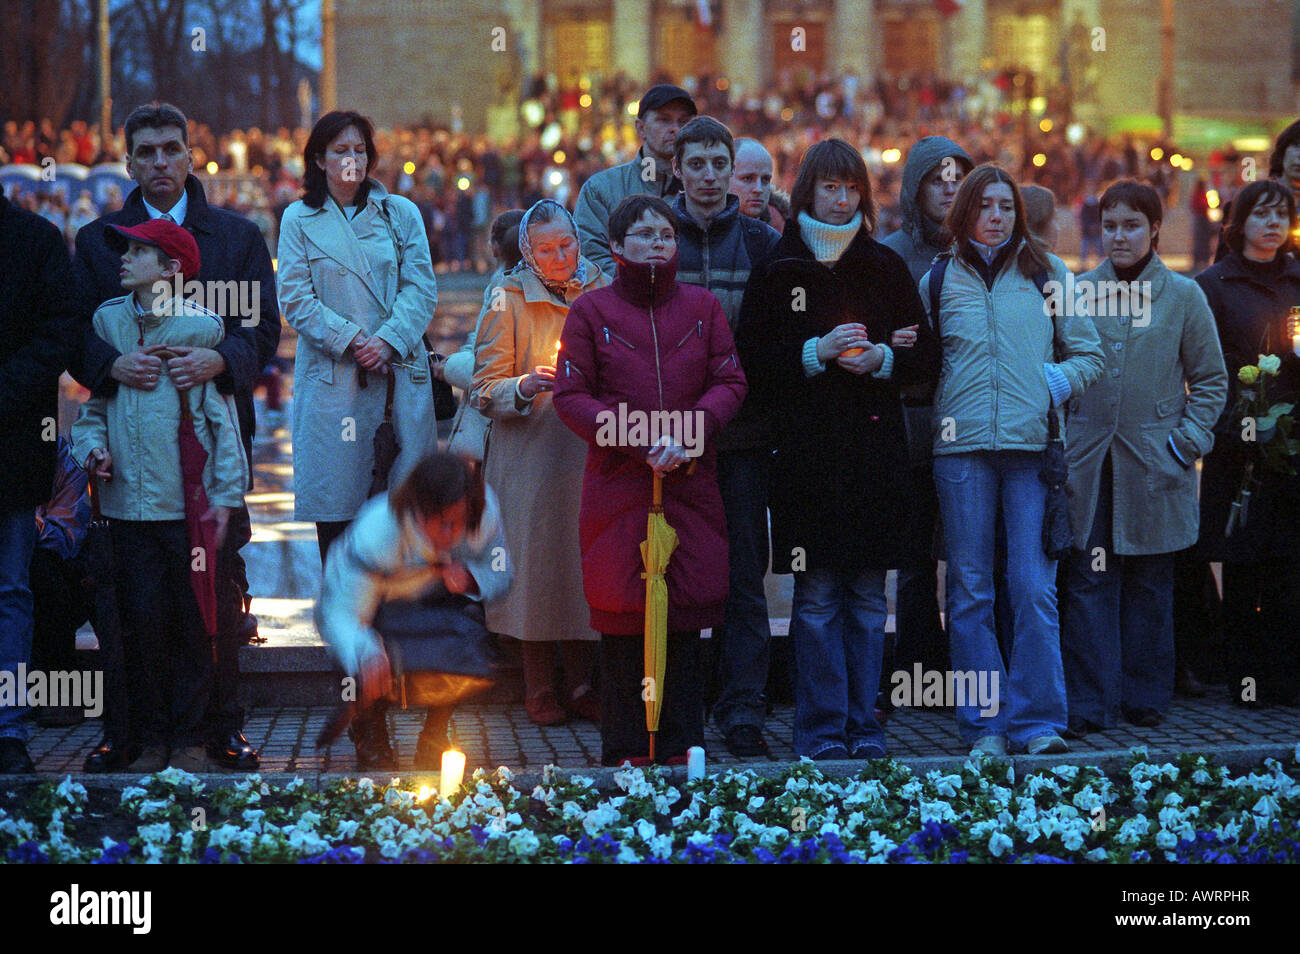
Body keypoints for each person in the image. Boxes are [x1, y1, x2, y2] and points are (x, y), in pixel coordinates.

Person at [70, 102, 280, 773]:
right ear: (129, 162)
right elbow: (74, 332)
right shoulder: (98, 243)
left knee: (216, 594)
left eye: (171, 149)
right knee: (130, 604)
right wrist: (111, 367)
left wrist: (220, 360)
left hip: (205, 458)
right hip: (128, 462)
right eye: (146, 152)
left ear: (191, 155)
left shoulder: (236, 237)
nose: (160, 162)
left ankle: (222, 726)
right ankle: (131, 732)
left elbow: (263, 330)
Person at [737, 139, 939, 760]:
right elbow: (752, 364)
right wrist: (814, 353)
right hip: (805, 460)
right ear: (808, 191)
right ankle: (822, 730)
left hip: (875, 457)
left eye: (851, 188)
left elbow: (926, 357)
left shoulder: (884, 266)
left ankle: (864, 726)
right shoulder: (780, 267)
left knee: (868, 600)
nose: (841, 199)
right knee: (818, 599)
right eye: (829, 187)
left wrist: (882, 359)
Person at [553, 194, 746, 765]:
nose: (658, 244)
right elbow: (571, 395)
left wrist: (689, 434)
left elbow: (729, 381)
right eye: (643, 235)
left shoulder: (703, 308)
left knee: (684, 615)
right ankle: (626, 756)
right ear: (616, 247)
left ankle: (686, 752)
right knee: (623, 617)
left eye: (665, 235)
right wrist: (639, 441)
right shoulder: (591, 312)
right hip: (620, 487)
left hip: (689, 483)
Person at [921, 164, 1104, 757]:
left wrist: (1056, 382)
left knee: (1032, 587)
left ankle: (1039, 723)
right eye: (984, 206)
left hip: (1033, 452)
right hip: (962, 451)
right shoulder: (938, 278)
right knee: (969, 591)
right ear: (964, 212)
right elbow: (925, 363)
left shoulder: (1049, 273)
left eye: (1005, 206)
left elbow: (1090, 355)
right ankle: (985, 728)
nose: (996, 216)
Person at [70, 219, 247, 773]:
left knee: (195, 624)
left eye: (138, 251)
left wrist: (224, 499)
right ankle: (142, 736)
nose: (124, 258)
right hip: (126, 509)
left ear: (171, 269)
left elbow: (222, 427)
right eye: (125, 248)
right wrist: (93, 450)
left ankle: (192, 736)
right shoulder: (108, 324)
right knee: (136, 626)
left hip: (186, 513)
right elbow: (92, 412)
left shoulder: (198, 332)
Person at [1060, 180, 1228, 734]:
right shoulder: (1080, 291)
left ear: (1155, 229)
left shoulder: (1183, 296)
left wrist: (1185, 443)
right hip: (1090, 465)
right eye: (1110, 225)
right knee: (1089, 581)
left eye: (1131, 225)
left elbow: (1210, 380)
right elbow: (1059, 371)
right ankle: (1090, 701)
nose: (1119, 236)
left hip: (1156, 463)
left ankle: (1145, 697)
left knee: (1151, 583)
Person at [277, 110, 440, 564]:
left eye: (360, 150)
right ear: (319, 159)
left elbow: (421, 287)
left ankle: (399, 608)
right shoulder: (298, 219)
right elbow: (295, 298)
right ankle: (345, 606)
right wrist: (351, 339)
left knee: (401, 520)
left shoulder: (400, 213)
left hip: (397, 377)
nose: (352, 159)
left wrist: (388, 340)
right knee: (339, 521)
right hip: (335, 383)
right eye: (340, 150)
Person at [470, 199, 608, 725]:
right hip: (529, 452)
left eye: (567, 244)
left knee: (583, 564)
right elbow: (484, 387)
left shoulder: (601, 286)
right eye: (547, 249)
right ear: (527, 252)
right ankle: (539, 686)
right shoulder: (506, 297)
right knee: (534, 570)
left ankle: (582, 683)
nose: (561, 257)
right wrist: (523, 387)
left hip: (589, 447)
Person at [669, 116, 781, 757]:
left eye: (720, 164)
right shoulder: (657, 236)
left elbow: (772, 342)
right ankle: (679, 709)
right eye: (698, 164)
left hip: (742, 438)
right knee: (674, 572)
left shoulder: (763, 243)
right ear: (677, 169)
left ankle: (742, 709)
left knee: (744, 575)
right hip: (669, 439)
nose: (710, 177)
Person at [317, 452, 512, 770]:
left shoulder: (483, 510)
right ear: (417, 510)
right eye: (441, 523)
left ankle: (435, 733)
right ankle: (370, 732)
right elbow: (341, 614)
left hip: (437, 596)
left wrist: (472, 577)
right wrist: (365, 652)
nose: (450, 535)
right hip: (374, 601)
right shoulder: (378, 530)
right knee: (367, 659)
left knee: (466, 625)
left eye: (458, 523)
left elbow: (501, 568)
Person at [1194, 179, 1300, 707]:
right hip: (1237, 440)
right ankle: (1245, 678)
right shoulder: (1214, 285)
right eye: (1261, 214)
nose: (1273, 223)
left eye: (1281, 214)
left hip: (1292, 445)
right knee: (1241, 558)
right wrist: (1236, 419)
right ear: (1240, 224)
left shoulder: (1297, 279)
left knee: (1287, 561)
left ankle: (1284, 674)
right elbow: (1203, 367)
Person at [879, 136, 972, 717]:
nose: (948, 188)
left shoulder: (984, 252)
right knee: (913, 562)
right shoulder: (890, 256)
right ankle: (917, 672)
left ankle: (969, 670)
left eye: (958, 177)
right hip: (910, 429)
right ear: (916, 186)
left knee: (968, 560)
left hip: (971, 429)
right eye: (937, 178)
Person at [0, 185, 81, 774]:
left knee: (9, 589)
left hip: (11, 446)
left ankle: (7, 727)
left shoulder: (35, 240)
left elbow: (56, 335)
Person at [574, 84, 695, 278]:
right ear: (641, 128)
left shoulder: (703, 187)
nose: (675, 129)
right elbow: (591, 259)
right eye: (664, 120)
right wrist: (638, 284)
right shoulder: (601, 189)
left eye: (683, 122)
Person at [442, 209, 525, 461]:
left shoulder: (503, 289)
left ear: (495, 247)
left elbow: (488, 367)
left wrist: (448, 367)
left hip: (493, 423)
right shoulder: (507, 285)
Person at [730, 138, 788, 231]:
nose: (758, 189)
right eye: (748, 178)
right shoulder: (707, 230)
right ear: (726, 178)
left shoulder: (785, 229)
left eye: (765, 179)